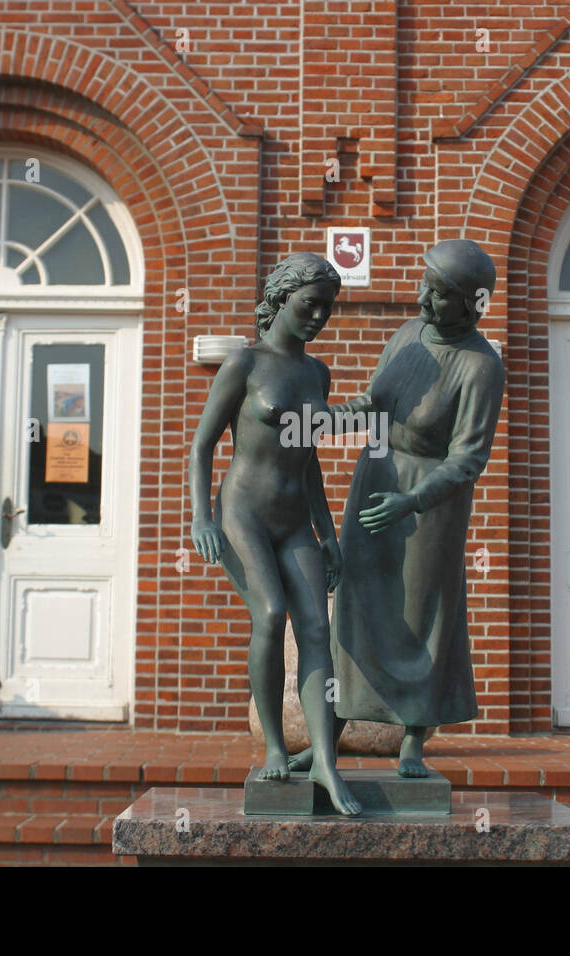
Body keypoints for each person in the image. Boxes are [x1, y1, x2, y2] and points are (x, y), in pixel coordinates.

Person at [290, 239, 506, 778]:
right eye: (424, 288)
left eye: (438, 294)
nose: (423, 301)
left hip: (429, 504)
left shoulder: (481, 366)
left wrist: (414, 499)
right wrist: (321, 420)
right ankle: (328, 735)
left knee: (419, 615)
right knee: (358, 608)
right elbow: (374, 404)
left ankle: (413, 738)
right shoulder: (407, 335)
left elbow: (470, 457)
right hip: (375, 478)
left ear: (470, 303)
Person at [188, 252, 360, 815]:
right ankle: (273, 746)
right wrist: (201, 518)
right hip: (243, 514)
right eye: (310, 305)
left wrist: (328, 531)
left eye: (327, 310)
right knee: (269, 613)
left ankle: (327, 764)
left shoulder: (317, 373)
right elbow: (202, 445)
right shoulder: (244, 363)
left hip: (295, 520)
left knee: (317, 627)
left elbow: (307, 460)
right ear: (281, 300)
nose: (318, 318)